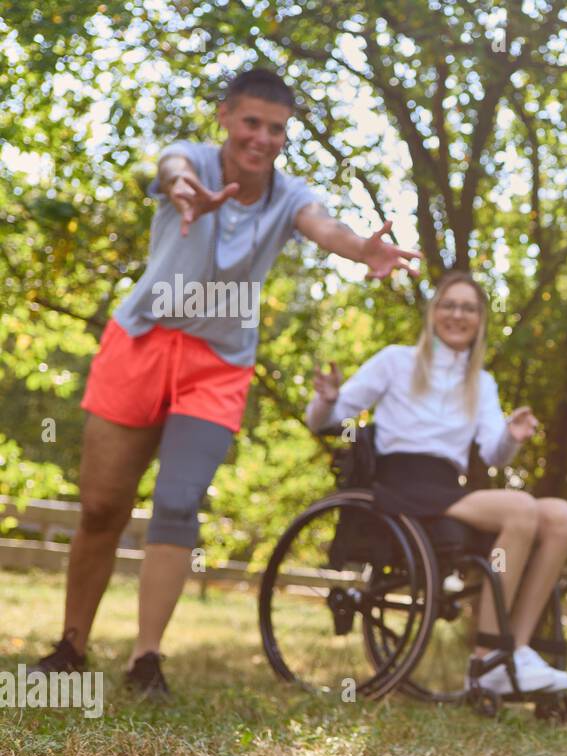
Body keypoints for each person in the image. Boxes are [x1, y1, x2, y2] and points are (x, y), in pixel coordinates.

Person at [29, 67, 422, 696]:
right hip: (140, 344)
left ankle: (146, 659)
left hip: (217, 365)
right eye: (251, 122)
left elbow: (326, 227)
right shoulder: (191, 163)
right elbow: (170, 170)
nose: (262, 138)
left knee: (179, 503)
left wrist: (361, 250)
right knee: (102, 508)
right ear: (225, 117)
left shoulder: (288, 198)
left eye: (276, 129)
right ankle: (72, 646)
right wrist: (185, 191)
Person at [307, 271, 567, 695]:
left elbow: (493, 454)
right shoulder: (396, 360)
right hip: (398, 484)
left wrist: (511, 437)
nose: (458, 315)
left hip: (448, 486)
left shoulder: (481, 382)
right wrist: (324, 401)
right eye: (449, 305)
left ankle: (517, 651)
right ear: (434, 313)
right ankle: (487, 657)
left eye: (468, 308)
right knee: (522, 507)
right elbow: (326, 421)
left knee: (560, 516)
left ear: (480, 320)